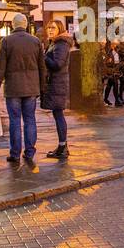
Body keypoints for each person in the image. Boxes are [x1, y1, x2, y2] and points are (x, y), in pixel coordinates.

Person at [0, 13, 46, 165]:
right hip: (31, 87)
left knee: (15, 120)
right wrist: (42, 88)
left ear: (13, 25)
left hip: (13, 87)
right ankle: (29, 152)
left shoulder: (6, 41)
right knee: (30, 119)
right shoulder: (35, 41)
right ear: (26, 25)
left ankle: (15, 153)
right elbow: (42, 67)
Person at [43, 20, 74, 159]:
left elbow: (57, 64)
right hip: (57, 83)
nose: (50, 30)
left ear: (59, 29)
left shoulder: (61, 44)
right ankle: (62, 146)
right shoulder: (55, 43)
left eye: (53, 28)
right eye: (48, 27)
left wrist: (43, 57)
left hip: (58, 84)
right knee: (57, 114)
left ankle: (62, 147)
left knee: (59, 114)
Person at [101, 39, 124, 106]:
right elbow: (107, 63)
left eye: (116, 44)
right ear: (112, 45)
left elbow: (118, 59)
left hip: (116, 70)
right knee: (114, 84)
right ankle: (116, 101)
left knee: (110, 85)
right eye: (115, 45)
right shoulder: (109, 53)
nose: (116, 46)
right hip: (112, 71)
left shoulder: (117, 52)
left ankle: (107, 99)